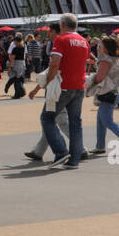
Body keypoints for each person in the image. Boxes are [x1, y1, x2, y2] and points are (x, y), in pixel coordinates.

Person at [40, 14, 89, 168]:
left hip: (63, 86)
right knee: (76, 123)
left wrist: (48, 80)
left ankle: (60, 151)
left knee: (47, 118)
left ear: (62, 25)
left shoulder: (61, 40)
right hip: (79, 85)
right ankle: (74, 160)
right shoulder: (84, 41)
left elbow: (55, 64)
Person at [86, 36, 119, 157]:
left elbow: (99, 78)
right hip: (115, 93)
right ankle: (100, 146)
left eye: (101, 45)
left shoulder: (105, 60)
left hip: (107, 93)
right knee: (100, 120)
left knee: (107, 120)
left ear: (105, 48)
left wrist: (89, 81)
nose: (99, 47)